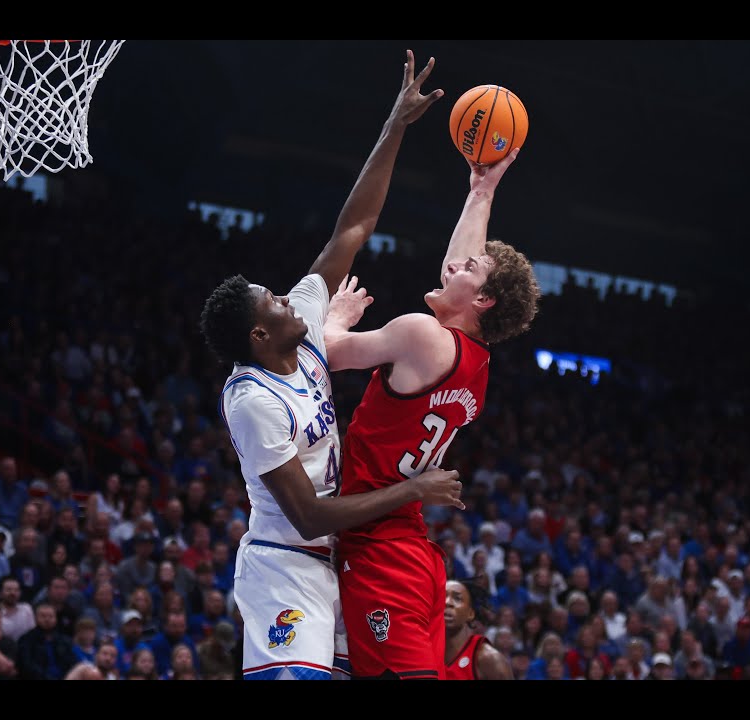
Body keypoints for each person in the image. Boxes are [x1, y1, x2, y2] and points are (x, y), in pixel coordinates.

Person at [198, 49, 458, 681]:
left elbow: (354, 226)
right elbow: (308, 514)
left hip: (338, 558)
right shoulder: (252, 399)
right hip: (285, 561)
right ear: (260, 333)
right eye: (274, 301)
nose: (289, 296)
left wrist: (395, 123)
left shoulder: (304, 326)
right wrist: (413, 490)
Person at [323, 114, 540, 681]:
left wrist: (337, 317)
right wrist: (482, 190)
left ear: (484, 300)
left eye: (469, 269)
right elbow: (460, 263)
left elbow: (326, 352)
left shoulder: (421, 334)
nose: (452, 265)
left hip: (378, 549)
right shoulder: (474, 363)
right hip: (407, 544)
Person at [444, 578, 512, 680]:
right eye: (442, 596)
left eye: (457, 598)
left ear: (470, 614)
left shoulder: (488, 658)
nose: (447, 602)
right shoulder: (425, 651)